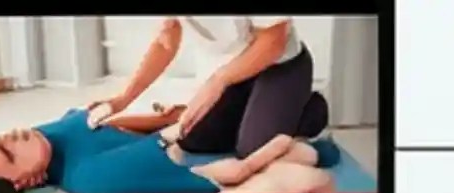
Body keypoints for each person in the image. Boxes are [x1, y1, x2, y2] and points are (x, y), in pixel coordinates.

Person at [0, 104, 339, 193]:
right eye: (7, 152)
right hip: (193, 180)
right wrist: (178, 121)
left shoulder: (41, 136)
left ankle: (300, 146)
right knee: (308, 173)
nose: (13, 136)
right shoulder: (89, 177)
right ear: (26, 181)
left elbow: (102, 124)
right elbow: (167, 141)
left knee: (302, 149)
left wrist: (162, 117)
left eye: (0, 137)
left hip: (182, 159)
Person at [85, 16, 330, 159]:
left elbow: (273, 41)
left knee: (254, 150)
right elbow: (165, 42)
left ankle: (308, 106)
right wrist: (122, 100)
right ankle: (244, 110)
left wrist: (217, 82)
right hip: (232, 72)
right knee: (196, 139)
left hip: (280, 64)